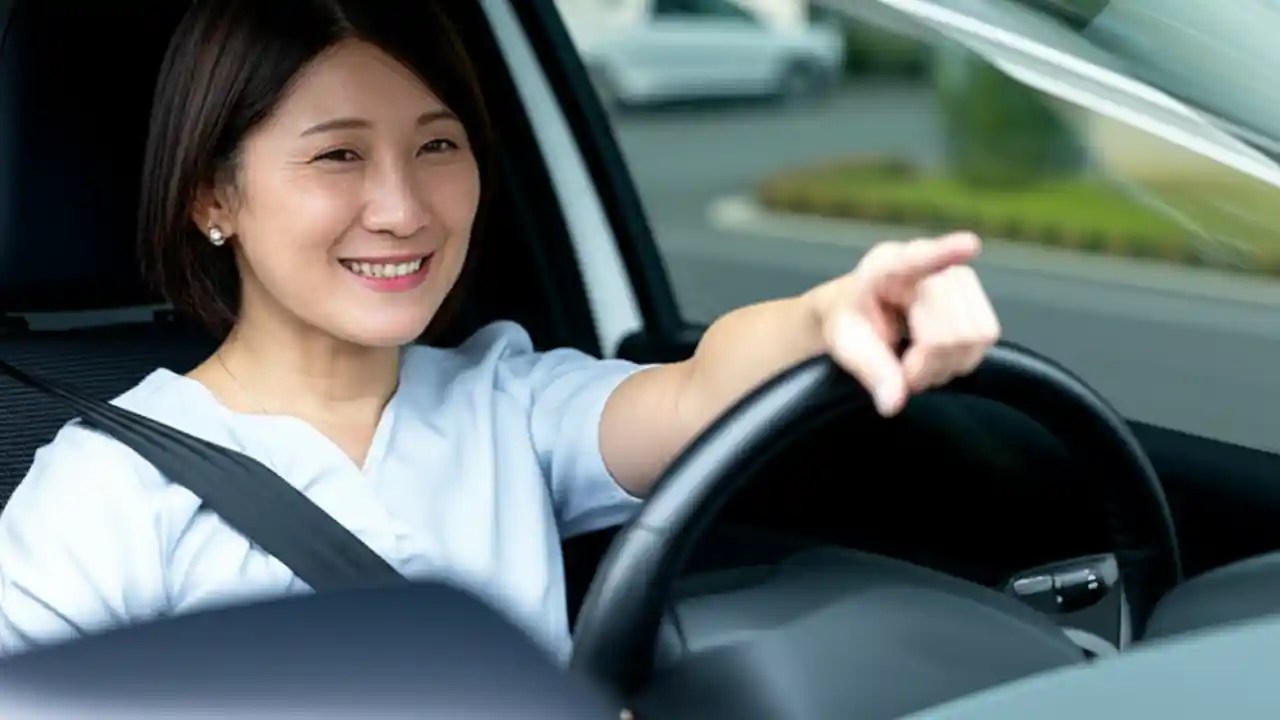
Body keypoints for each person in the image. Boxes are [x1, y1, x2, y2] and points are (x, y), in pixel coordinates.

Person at [0, 0, 1000, 661]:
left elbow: (699, 391)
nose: (402, 206)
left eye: (436, 145)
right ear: (214, 195)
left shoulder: (507, 400)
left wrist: (831, 312)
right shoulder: (106, 491)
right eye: (337, 156)